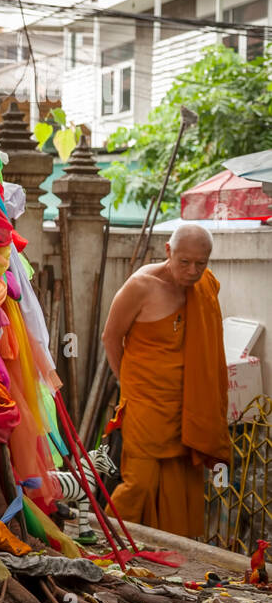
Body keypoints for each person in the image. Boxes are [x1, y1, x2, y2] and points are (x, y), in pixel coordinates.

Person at [99, 222, 230, 539]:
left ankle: (169, 551)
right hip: (145, 401)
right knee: (139, 482)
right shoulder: (141, 286)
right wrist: (128, 385)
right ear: (168, 251)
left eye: (201, 263)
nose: (192, 271)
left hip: (187, 403)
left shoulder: (204, 287)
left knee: (179, 482)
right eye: (184, 262)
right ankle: (109, 542)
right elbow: (111, 338)